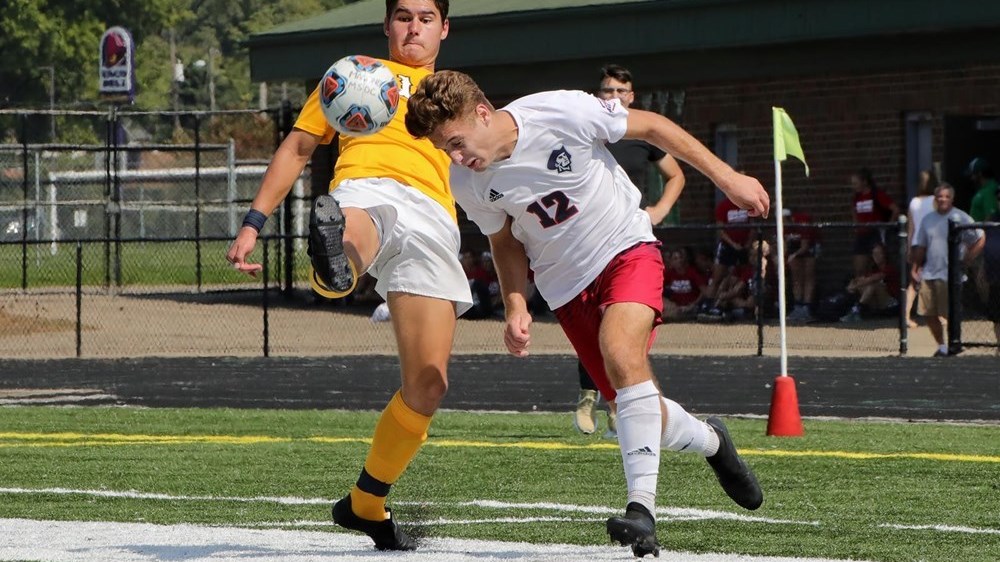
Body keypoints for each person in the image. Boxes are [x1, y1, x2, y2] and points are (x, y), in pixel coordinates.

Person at [405, 70, 766, 557]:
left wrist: (728, 178)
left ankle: (642, 512)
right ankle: (711, 441)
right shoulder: (466, 180)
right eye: (442, 148)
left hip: (626, 248)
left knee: (622, 354)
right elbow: (503, 239)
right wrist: (515, 304)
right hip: (566, 289)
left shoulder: (560, 111)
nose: (454, 156)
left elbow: (654, 126)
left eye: (455, 142)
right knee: (633, 409)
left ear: (483, 114)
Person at [226, 1, 469, 551]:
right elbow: (298, 146)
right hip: (366, 188)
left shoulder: (456, 91)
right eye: (403, 16)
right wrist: (253, 221)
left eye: (425, 17)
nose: (413, 27)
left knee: (428, 385)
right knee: (355, 228)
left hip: (435, 216)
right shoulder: (353, 74)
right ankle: (335, 267)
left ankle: (365, 503)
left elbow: (491, 154)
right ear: (386, 25)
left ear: (444, 28)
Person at [571, 64, 689, 437]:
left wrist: (660, 210)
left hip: (628, 237)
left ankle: (618, 402)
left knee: (622, 322)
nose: (614, 97)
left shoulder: (641, 133)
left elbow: (676, 175)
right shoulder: (588, 130)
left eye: (621, 91)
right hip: (587, 235)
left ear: (632, 97)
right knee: (591, 317)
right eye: (608, 90)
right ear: (598, 95)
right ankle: (589, 394)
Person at [911, 183, 985, 357]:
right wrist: (915, 267)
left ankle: (954, 343)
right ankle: (942, 346)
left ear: (952, 199)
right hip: (929, 272)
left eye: (946, 196)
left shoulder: (961, 217)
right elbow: (921, 246)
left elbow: (980, 237)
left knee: (949, 312)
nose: (943, 199)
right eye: (939, 196)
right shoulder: (928, 219)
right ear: (935, 199)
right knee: (927, 312)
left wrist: (967, 258)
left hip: (950, 274)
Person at [850, 168, 900, 278]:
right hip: (862, 234)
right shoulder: (856, 198)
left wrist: (888, 226)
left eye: (856, 183)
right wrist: (856, 226)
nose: (853, 186)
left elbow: (895, 209)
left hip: (875, 233)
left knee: (879, 265)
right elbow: (854, 212)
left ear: (864, 182)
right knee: (859, 268)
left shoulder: (877, 195)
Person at [905, 169, 938, 328]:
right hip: (932, 243)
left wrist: (908, 248)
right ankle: (939, 315)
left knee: (913, 283)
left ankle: (905, 316)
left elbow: (911, 228)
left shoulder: (914, 202)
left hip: (917, 245)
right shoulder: (935, 201)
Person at [839, 242, 899, 323]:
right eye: (874, 254)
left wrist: (854, 286)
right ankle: (856, 311)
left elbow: (873, 279)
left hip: (891, 304)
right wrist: (854, 283)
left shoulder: (889, 269)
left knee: (873, 285)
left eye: (878, 254)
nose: (876, 257)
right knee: (862, 287)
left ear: (884, 255)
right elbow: (862, 280)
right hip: (878, 304)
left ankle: (856, 310)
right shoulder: (874, 270)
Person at [783, 208, 820, 322]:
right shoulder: (782, 226)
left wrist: (794, 255)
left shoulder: (802, 223)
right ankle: (798, 306)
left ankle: (807, 307)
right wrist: (786, 257)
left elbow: (805, 246)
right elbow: (785, 244)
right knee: (796, 278)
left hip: (809, 247)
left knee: (808, 276)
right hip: (794, 246)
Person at [662, 247, 709, 320]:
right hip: (676, 306)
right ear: (671, 262)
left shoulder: (692, 272)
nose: (679, 260)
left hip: (691, 306)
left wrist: (693, 304)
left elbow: (704, 291)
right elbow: (656, 289)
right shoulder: (669, 274)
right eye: (675, 259)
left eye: (680, 257)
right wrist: (666, 301)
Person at [967, 157, 998, 223]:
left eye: (972, 175)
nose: (971, 178)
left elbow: (991, 216)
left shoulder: (989, 190)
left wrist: (980, 229)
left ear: (979, 173)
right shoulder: (983, 188)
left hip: (983, 229)